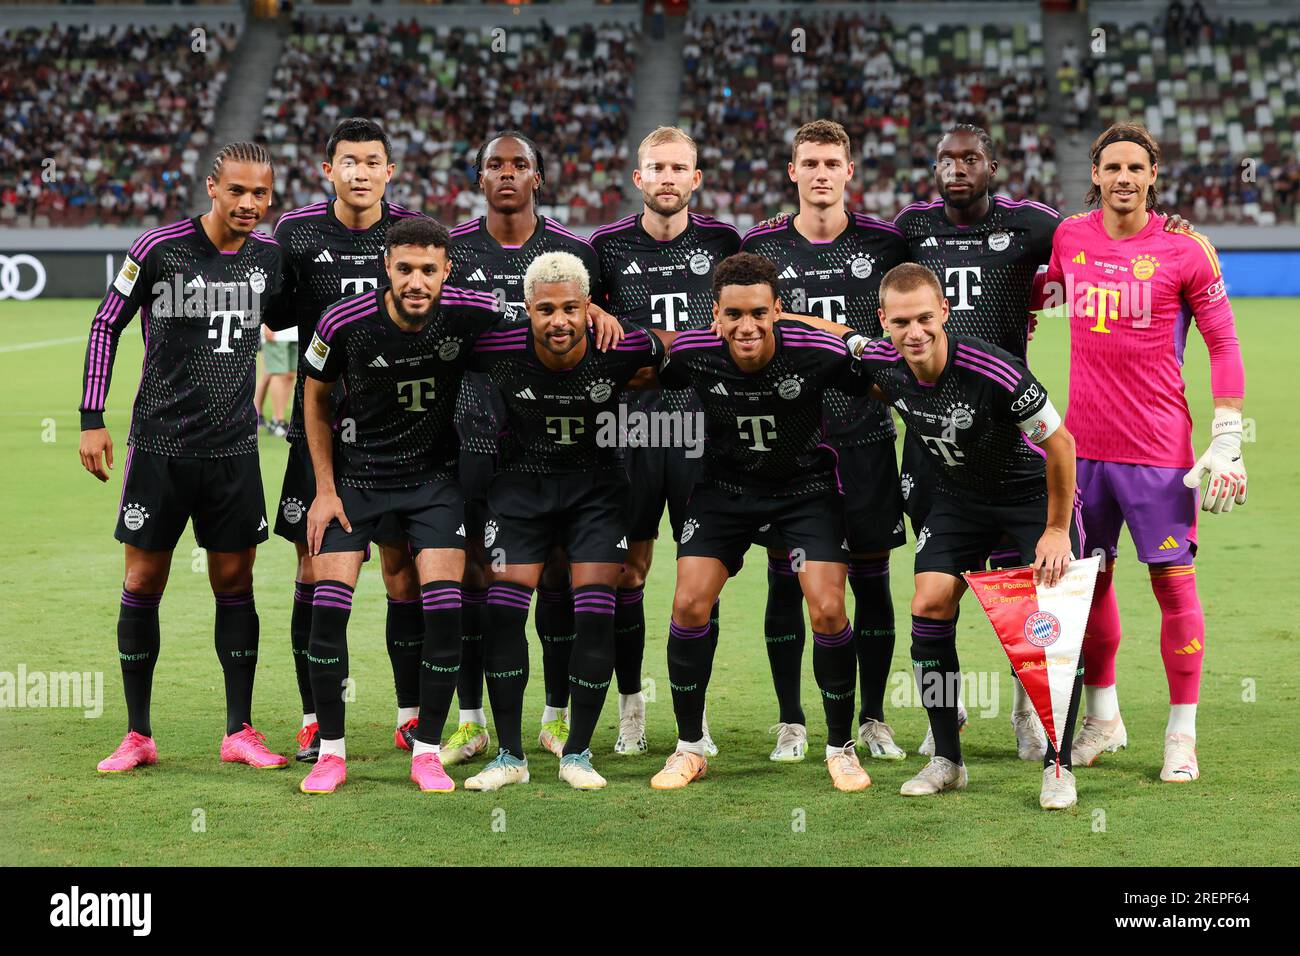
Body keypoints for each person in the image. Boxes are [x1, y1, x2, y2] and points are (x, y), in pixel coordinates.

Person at [800, 262, 1083, 809]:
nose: (915, 332)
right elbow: (836, 333)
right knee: (928, 604)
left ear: (944, 313)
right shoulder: (884, 360)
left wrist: (1055, 529)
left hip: (1027, 497)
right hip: (958, 500)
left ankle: (1058, 765)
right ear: (884, 321)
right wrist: (770, 318)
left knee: (1048, 621)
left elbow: (1061, 444)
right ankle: (948, 760)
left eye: (925, 318)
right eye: (901, 321)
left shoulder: (996, 372)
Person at [1043, 122, 1247, 783]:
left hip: (1159, 454)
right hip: (1083, 453)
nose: (1124, 177)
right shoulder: (1070, 238)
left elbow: (1223, 342)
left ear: (1153, 175)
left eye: (1136, 167)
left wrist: (1228, 435)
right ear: (1095, 175)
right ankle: (1102, 718)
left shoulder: (1186, 250)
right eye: (1113, 167)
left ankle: (1181, 735)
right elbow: (1035, 294)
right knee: (1089, 585)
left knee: (1173, 587)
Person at [80, 142, 289, 774]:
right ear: (212, 188)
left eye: (260, 193)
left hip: (234, 452)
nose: (249, 203)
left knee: (236, 585)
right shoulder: (159, 249)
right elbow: (105, 324)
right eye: (237, 191)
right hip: (159, 449)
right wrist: (92, 418)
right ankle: (137, 734)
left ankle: (239, 731)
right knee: (143, 583)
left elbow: (303, 326)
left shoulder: (269, 259)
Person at [648, 252, 874, 794]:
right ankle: (689, 747)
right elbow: (639, 360)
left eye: (757, 313)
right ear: (716, 315)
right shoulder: (696, 353)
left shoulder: (816, 351)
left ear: (777, 311)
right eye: (733, 314)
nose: (745, 326)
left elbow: (885, 380)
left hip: (805, 491)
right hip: (724, 491)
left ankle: (840, 748)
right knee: (688, 603)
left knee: (827, 609)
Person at [296, 218, 498, 795]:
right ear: (386, 267)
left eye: (429, 270)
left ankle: (427, 752)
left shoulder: (472, 313)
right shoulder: (343, 321)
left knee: (444, 611)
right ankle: (331, 754)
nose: (416, 281)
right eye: (405, 268)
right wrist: (325, 489)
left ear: (447, 271)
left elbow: (538, 325)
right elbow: (315, 396)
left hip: (434, 484)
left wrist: (594, 311)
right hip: (356, 482)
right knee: (327, 612)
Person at [740, 119, 909, 764]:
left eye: (831, 163)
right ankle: (791, 720)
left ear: (849, 171)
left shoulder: (886, 244)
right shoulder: (761, 247)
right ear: (792, 172)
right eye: (809, 163)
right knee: (786, 583)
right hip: (790, 444)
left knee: (872, 580)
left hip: (865, 436)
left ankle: (872, 718)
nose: (820, 174)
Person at [266, 118, 428, 763]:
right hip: (321, 431)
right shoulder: (296, 233)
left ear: (391, 171)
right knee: (314, 569)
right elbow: (272, 313)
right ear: (327, 170)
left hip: (402, 432)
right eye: (349, 162)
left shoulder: (414, 233)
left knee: (401, 571)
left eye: (372, 161)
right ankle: (314, 718)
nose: (361, 173)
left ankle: (410, 717)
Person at [462, 252, 655, 791]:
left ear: (589, 307)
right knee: (503, 614)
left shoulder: (621, 345)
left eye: (572, 308)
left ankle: (578, 754)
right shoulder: (497, 345)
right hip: (520, 488)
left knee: (594, 614)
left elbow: (679, 352)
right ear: (528, 309)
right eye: (546, 309)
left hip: (598, 490)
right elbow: (441, 336)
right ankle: (510, 757)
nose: (560, 320)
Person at [445, 131, 607, 766]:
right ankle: (471, 722)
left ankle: (555, 716)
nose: (507, 174)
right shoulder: (453, 249)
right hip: (468, 437)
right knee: (472, 578)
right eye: (495, 165)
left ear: (538, 177)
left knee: (559, 575)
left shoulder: (573, 249)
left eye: (520, 165)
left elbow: (598, 327)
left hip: (550, 447)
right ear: (480, 177)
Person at [590, 126, 741, 756]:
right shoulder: (604, 247)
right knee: (627, 573)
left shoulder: (724, 243)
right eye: (657, 168)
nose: (668, 178)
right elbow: (586, 326)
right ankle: (631, 709)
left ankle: (693, 717)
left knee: (699, 577)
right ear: (639, 177)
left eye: (680, 168)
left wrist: (649, 343)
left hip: (703, 430)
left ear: (696, 178)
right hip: (627, 430)